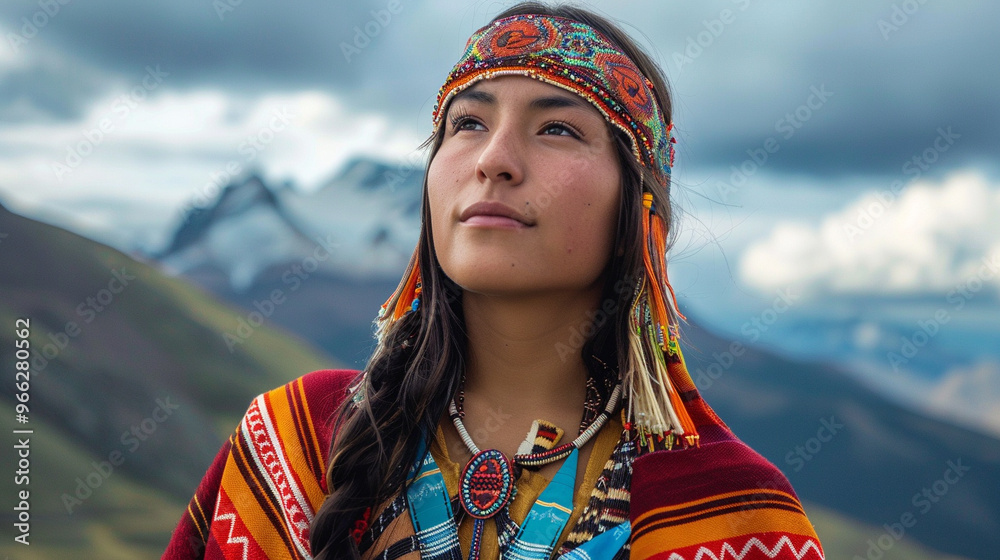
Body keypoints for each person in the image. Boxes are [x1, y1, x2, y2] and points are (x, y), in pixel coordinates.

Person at [163, 3, 825, 559]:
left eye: (558, 129)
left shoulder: (731, 513)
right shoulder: (296, 444)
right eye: (468, 123)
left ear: (638, 209)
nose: (494, 160)